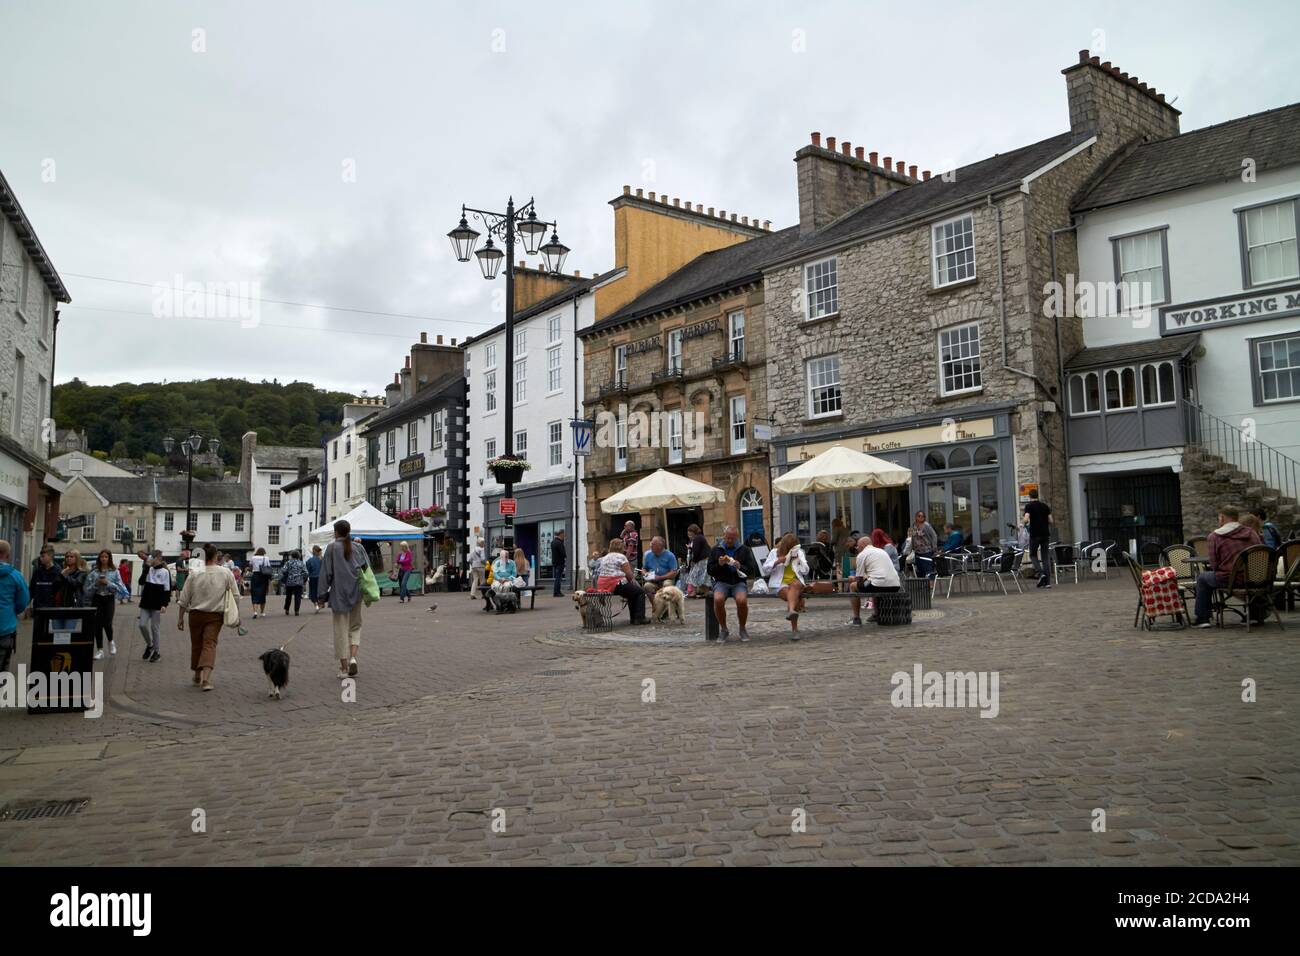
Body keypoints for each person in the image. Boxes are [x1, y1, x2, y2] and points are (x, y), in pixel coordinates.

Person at [176, 542, 238, 691]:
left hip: (195, 614)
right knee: (209, 644)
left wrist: (180, 618)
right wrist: (234, 613)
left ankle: (197, 674)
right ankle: (206, 680)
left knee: (197, 644)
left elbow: (184, 598)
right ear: (216, 556)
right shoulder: (225, 573)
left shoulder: (195, 573)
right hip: (215, 615)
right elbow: (235, 595)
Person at [1192, 506, 1262, 628]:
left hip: (1229, 579)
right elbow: (1259, 553)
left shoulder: (1215, 536)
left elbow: (1214, 564)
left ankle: (1203, 618)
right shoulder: (1251, 533)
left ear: (1222, 518)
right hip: (1253, 578)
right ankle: (1254, 615)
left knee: (1202, 578)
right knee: (1246, 575)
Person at [320, 520, 369, 678]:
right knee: (355, 627)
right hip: (356, 594)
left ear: (336, 532)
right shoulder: (358, 547)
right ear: (349, 531)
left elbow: (326, 574)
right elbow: (366, 569)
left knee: (340, 631)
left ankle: (343, 668)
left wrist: (321, 596)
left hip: (339, 595)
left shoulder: (332, 548)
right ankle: (353, 658)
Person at [708, 525, 760, 643]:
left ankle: (742, 628)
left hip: (738, 582)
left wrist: (740, 566)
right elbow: (709, 570)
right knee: (718, 599)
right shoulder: (716, 549)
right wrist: (719, 565)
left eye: (732, 538)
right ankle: (724, 629)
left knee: (742, 600)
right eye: (727, 538)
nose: (729, 541)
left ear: (737, 537)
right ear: (723, 536)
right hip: (721, 581)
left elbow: (752, 570)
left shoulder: (744, 549)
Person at [761, 532, 809, 638]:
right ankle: (794, 629)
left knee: (795, 585)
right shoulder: (774, 552)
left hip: (795, 582)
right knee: (793, 596)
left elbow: (805, 571)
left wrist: (799, 560)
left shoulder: (799, 552)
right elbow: (764, 570)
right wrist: (777, 561)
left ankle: (791, 611)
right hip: (779, 584)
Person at [849, 533, 902, 625]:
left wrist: (853, 578)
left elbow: (859, 579)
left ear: (862, 545)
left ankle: (856, 618)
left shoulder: (862, 555)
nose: (856, 548)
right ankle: (876, 614)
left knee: (853, 586)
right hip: (895, 585)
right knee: (874, 583)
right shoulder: (882, 551)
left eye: (857, 546)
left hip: (878, 584)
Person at [86, 549, 128, 660]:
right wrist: (96, 584)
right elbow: (87, 589)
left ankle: (111, 641)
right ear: (99, 558)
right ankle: (100, 650)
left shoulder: (115, 571)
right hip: (97, 598)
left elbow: (121, 588)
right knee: (97, 624)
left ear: (109, 558)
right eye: (102, 557)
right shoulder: (94, 572)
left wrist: (108, 583)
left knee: (107, 622)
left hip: (109, 598)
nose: (104, 559)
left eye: (106, 557)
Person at [593, 538, 647, 624]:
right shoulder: (621, 557)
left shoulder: (605, 557)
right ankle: (639, 618)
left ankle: (635, 618)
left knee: (632, 592)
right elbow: (629, 574)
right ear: (621, 547)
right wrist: (634, 582)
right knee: (639, 592)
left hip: (602, 584)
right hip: (616, 583)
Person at [0, 540, 31, 675]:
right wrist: (13, 611)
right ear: (7, 555)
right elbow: (23, 601)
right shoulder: (15, 575)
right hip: (5, 627)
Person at [136, 549, 171, 662]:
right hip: (146, 602)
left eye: (152, 557)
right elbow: (141, 582)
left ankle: (157, 651)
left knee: (154, 628)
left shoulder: (165, 572)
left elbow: (167, 590)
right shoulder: (149, 570)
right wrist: (146, 568)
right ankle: (150, 644)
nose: (150, 559)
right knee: (142, 625)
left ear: (158, 558)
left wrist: (164, 604)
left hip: (157, 603)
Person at [1022, 489, 1054, 589]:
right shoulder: (1045, 506)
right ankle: (1047, 582)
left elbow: (1026, 519)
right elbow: (1051, 520)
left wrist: (1022, 524)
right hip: (1045, 534)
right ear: (1037, 495)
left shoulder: (1029, 506)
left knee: (1032, 555)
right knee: (1045, 558)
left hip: (1035, 534)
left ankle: (1041, 574)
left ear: (1029, 496)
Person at [27, 544, 62, 610]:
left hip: (52, 608)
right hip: (38, 607)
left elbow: (59, 591)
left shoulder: (58, 571)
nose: (41, 558)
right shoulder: (37, 571)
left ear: (50, 556)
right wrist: (27, 602)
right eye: (40, 556)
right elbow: (32, 588)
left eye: (43, 556)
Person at [682, 524, 712, 598]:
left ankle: (693, 592)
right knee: (704, 577)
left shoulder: (697, 539)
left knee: (694, 575)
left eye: (690, 534)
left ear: (694, 532)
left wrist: (693, 560)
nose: (689, 536)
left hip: (701, 561)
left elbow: (696, 551)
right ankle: (706, 592)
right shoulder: (701, 538)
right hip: (705, 560)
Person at [906, 512, 938, 579]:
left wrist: (934, 547)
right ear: (916, 517)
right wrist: (910, 549)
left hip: (927, 551)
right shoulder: (913, 525)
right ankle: (923, 585)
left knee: (928, 568)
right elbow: (912, 537)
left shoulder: (926, 525)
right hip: (917, 551)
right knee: (920, 569)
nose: (921, 517)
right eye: (919, 516)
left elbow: (934, 535)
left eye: (922, 516)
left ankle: (931, 585)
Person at [279, 550, 307, 615]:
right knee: (298, 596)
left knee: (288, 596)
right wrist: (303, 578)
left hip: (290, 582)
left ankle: (287, 609)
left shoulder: (288, 562)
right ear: (298, 556)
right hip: (299, 582)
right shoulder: (301, 563)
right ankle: (296, 610)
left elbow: (283, 570)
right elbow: (306, 572)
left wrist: (287, 573)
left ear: (291, 556)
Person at [248, 547, 271, 618]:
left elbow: (250, 566)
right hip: (263, 577)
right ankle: (262, 612)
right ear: (264, 552)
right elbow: (268, 567)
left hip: (255, 576)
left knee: (254, 593)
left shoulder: (253, 558)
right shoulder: (266, 558)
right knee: (262, 594)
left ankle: (255, 612)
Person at [305, 545, 323, 611]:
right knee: (320, 591)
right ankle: (320, 603)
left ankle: (316, 604)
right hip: (320, 577)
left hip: (312, 577)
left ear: (314, 551)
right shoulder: (322, 559)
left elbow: (308, 569)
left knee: (313, 592)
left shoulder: (309, 561)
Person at [550, 530, 567, 597]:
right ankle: (557, 592)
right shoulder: (559, 543)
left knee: (557, 577)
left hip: (555, 562)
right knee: (558, 578)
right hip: (560, 562)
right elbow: (562, 553)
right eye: (563, 535)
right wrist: (565, 556)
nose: (564, 536)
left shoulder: (553, 542)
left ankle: (556, 591)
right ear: (561, 534)